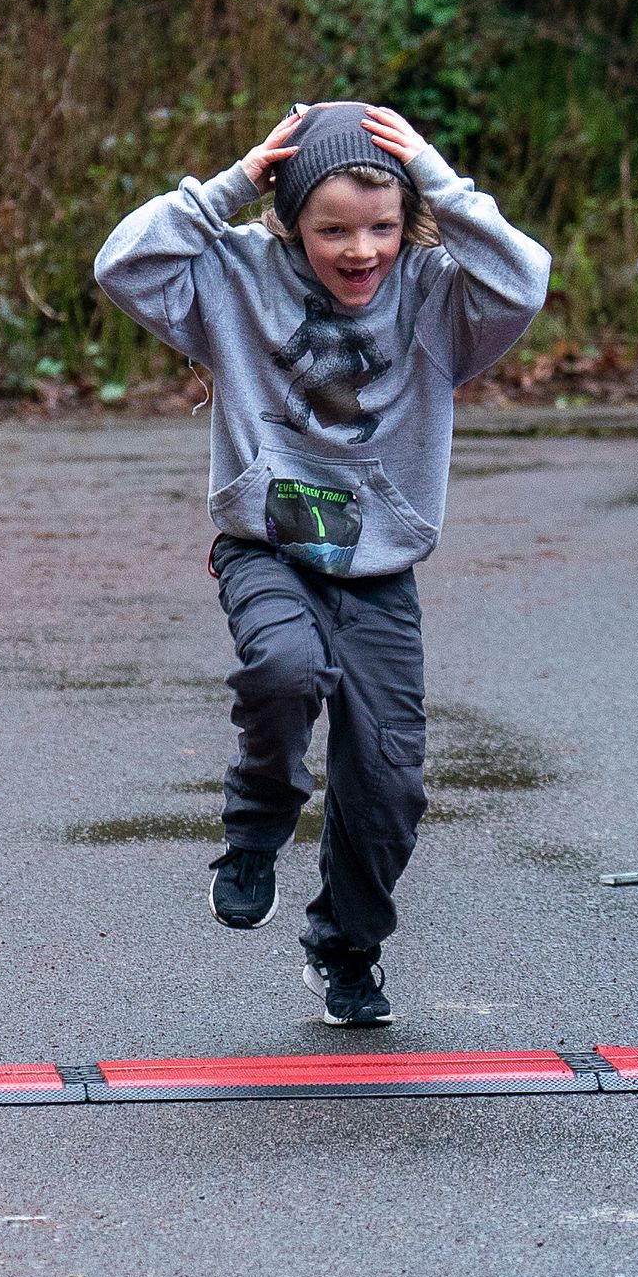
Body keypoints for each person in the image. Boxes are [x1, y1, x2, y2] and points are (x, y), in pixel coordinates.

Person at [94, 102, 551, 1026]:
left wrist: (437, 175)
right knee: (285, 664)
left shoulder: (435, 296)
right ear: (290, 217)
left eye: (382, 226)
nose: (360, 250)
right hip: (267, 546)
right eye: (333, 228)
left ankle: (344, 946)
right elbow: (123, 265)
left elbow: (524, 278)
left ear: (410, 219)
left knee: (390, 783)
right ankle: (257, 828)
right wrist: (232, 182)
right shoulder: (236, 279)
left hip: (379, 570)